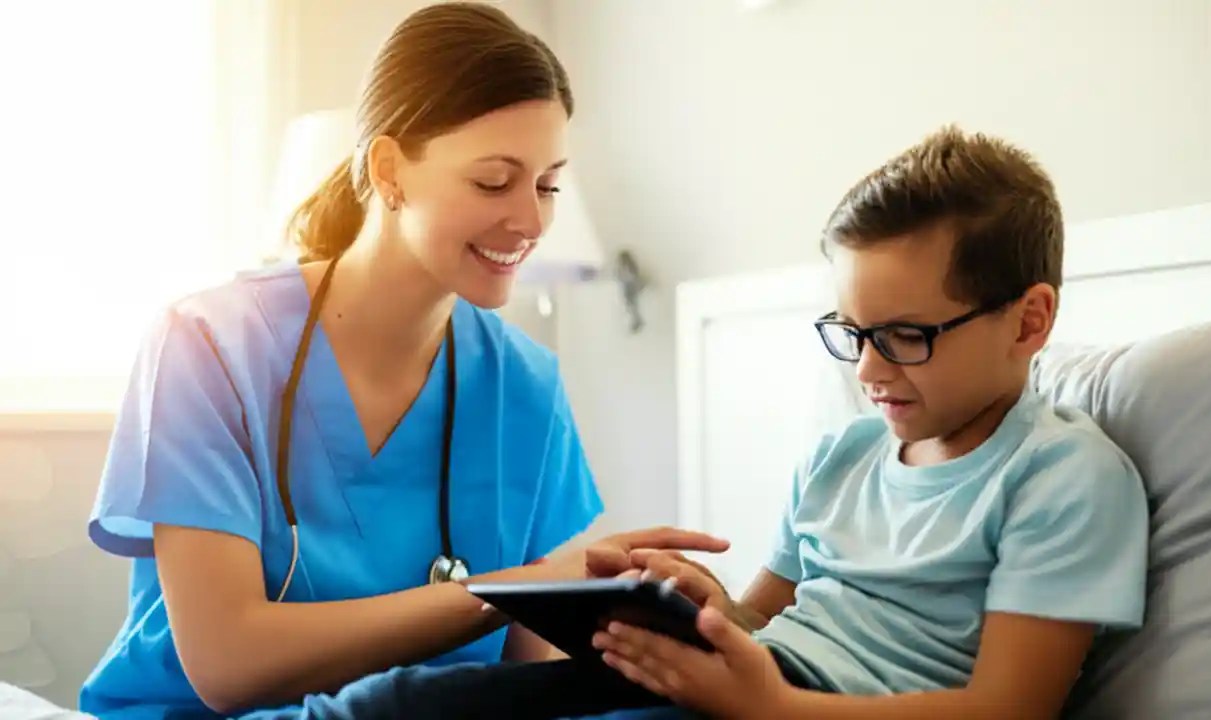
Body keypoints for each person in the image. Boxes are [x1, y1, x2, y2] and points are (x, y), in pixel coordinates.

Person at [356, 126, 1152, 720]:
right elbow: (759, 621)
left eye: (906, 338)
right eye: (853, 334)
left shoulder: (1060, 476)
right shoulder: (845, 457)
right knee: (396, 701)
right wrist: (698, 603)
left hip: (806, 710)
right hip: (751, 690)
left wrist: (772, 707)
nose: (869, 372)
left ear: (1028, 321)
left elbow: (1008, 710)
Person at [77, 4, 727, 718]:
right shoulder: (207, 345)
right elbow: (228, 666)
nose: (533, 221)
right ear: (389, 171)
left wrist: (627, 617)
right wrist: (506, 590)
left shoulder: (525, 385)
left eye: (547, 185)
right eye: (493, 181)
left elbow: (520, 683)